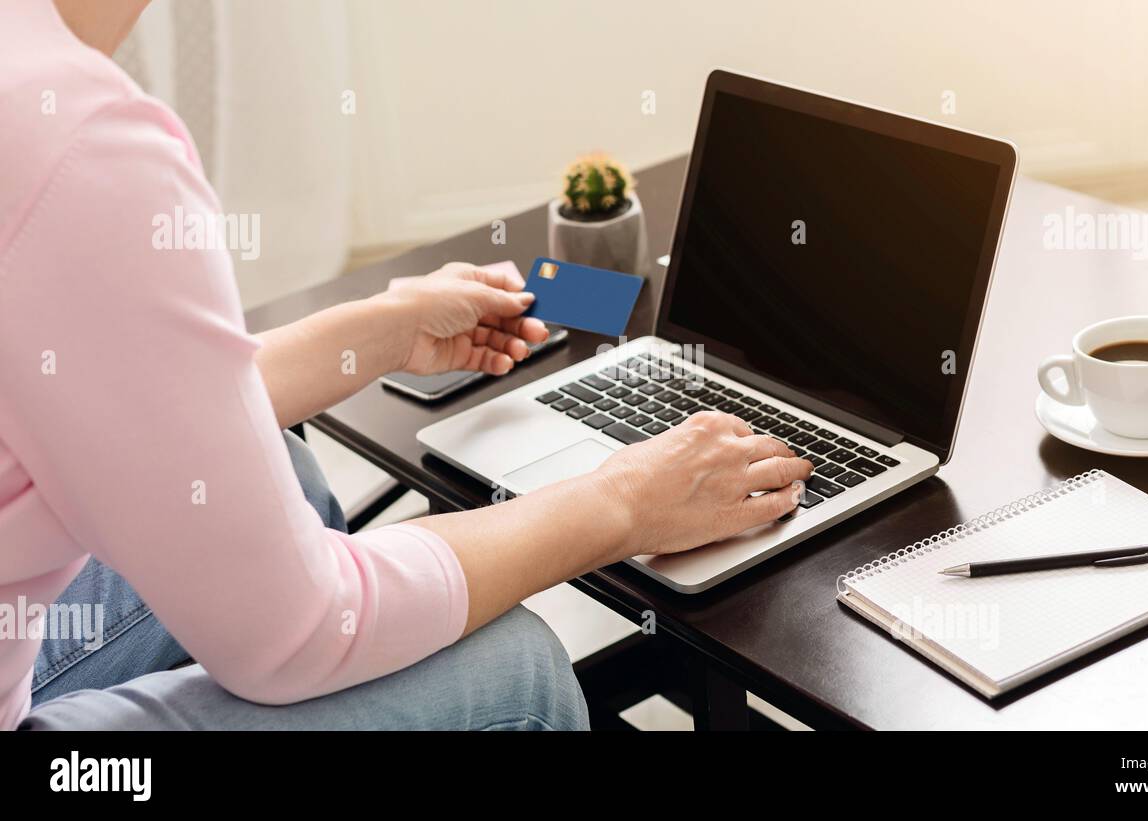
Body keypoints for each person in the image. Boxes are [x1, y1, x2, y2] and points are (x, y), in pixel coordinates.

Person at [0, 0, 811, 730]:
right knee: (512, 670)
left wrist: (380, 332)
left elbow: (133, 411)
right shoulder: (81, 147)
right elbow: (301, 632)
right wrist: (623, 500)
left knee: (285, 470)